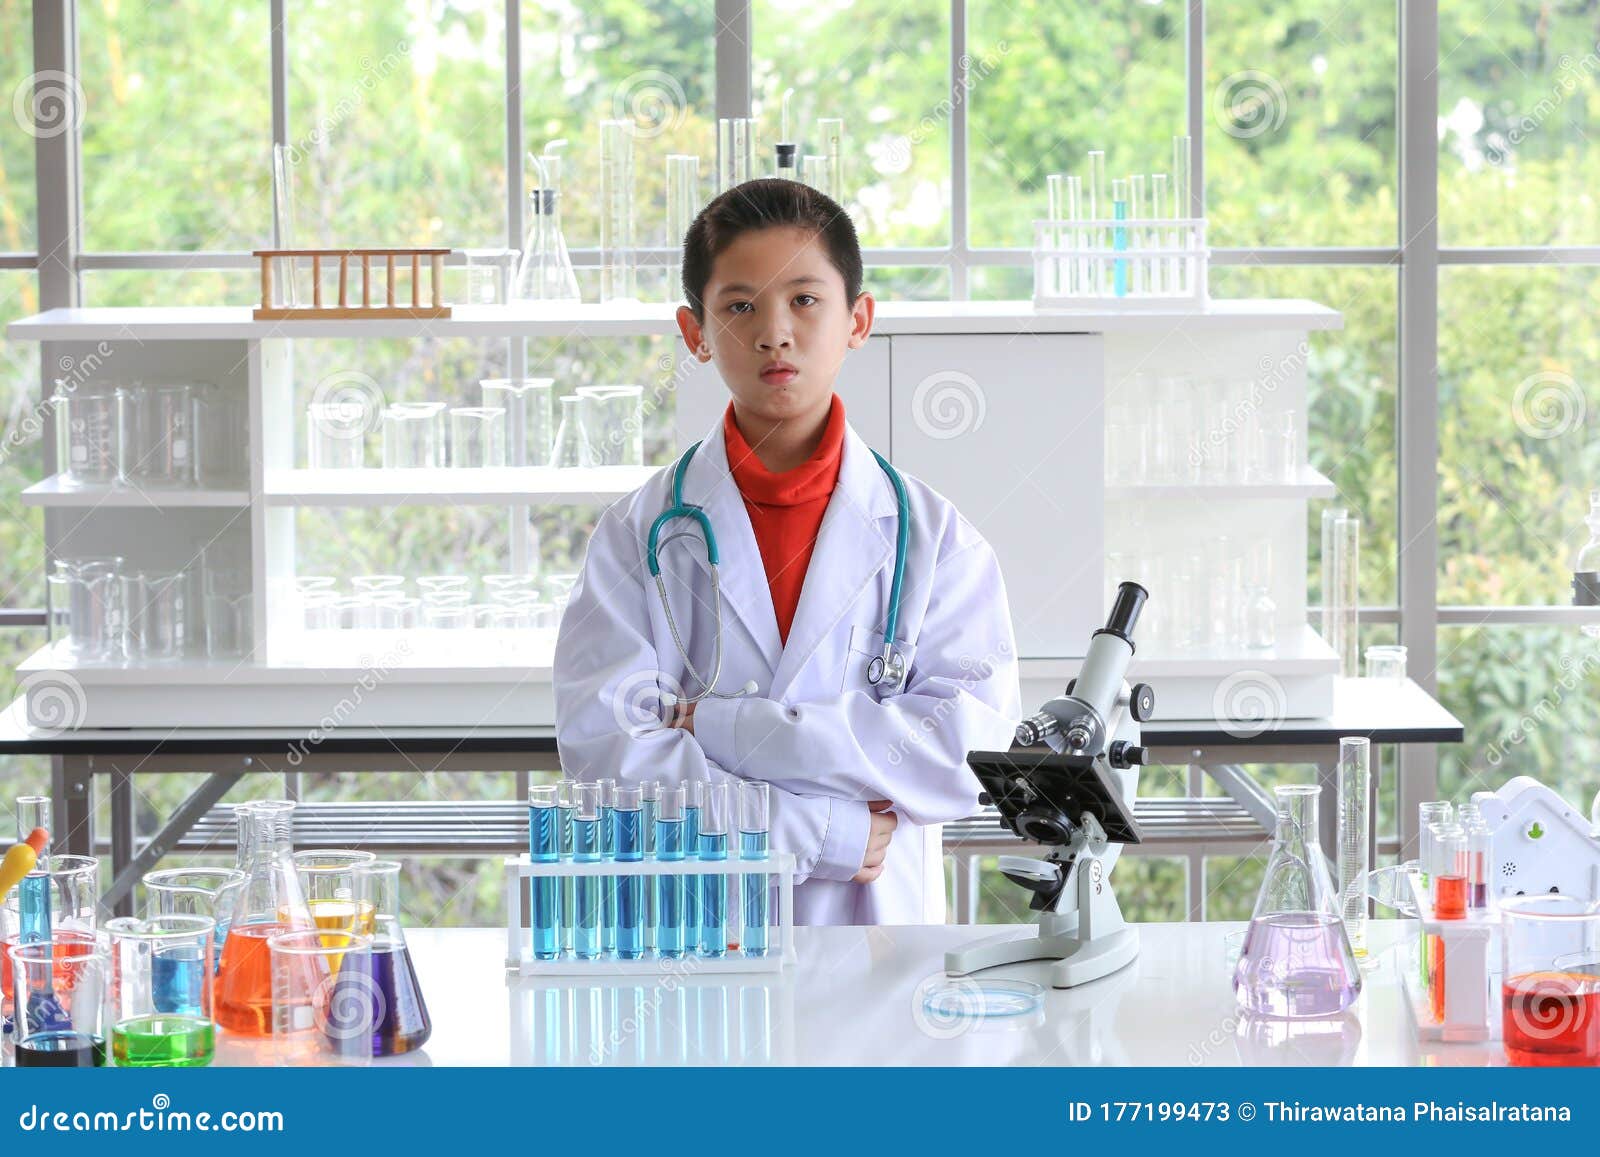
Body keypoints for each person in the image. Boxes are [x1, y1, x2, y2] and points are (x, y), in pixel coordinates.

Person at [553, 178, 1020, 925]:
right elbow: (610, 762)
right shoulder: (635, 539)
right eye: (740, 306)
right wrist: (821, 830)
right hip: (699, 943)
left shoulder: (937, 542)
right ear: (695, 332)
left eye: (805, 300)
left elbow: (964, 755)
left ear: (857, 319)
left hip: (880, 953)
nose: (775, 331)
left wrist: (717, 724)